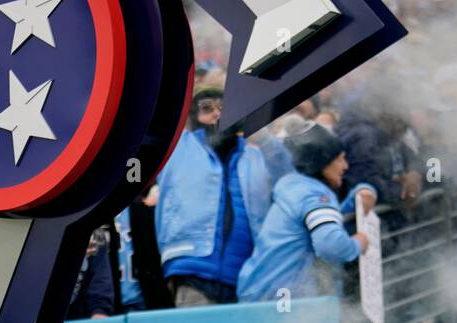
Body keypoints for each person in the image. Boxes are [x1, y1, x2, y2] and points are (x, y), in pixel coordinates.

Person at [154, 89, 270, 306]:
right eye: (207, 109)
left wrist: (264, 136)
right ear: (192, 118)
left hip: (247, 274)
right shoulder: (176, 148)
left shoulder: (255, 155)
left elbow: (286, 170)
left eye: (224, 109)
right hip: (191, 267)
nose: (217, 115)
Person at [236, 121, 373, 303]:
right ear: (321, 162)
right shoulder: (314, 195)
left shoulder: (297, 188)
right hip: (285, 297)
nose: (345, 166)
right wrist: (357, 244)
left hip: (261, 292)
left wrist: (356, 197)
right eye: (339, 159)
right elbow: (330, 244)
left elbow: (318, 220)